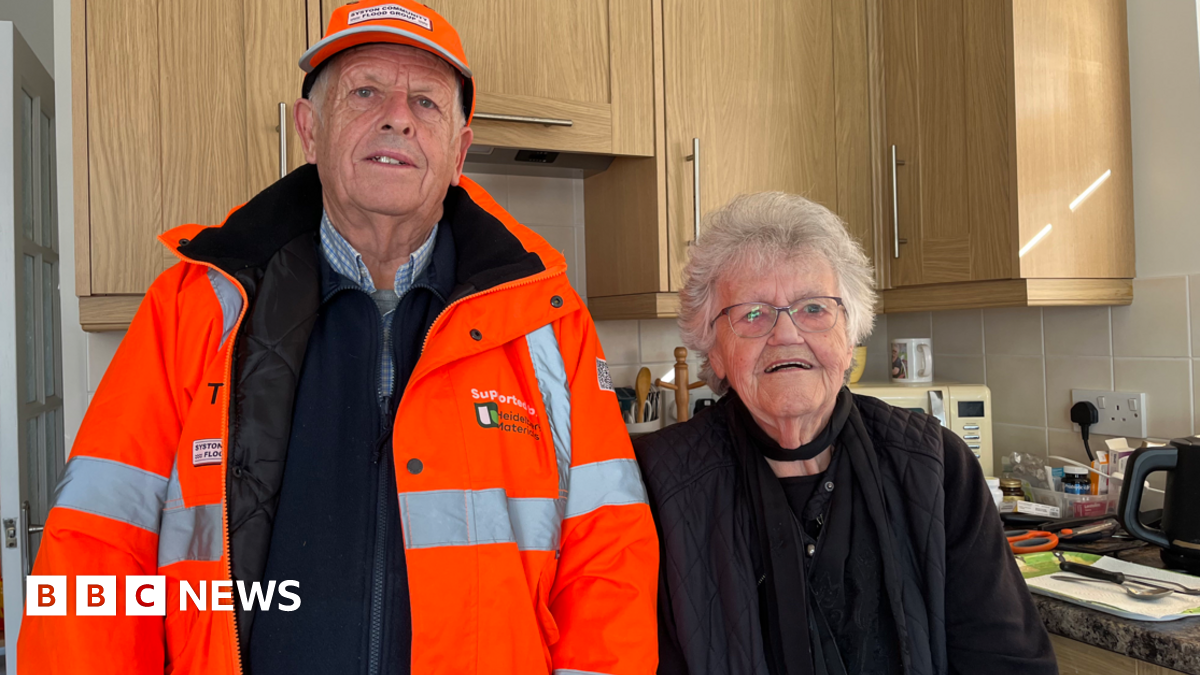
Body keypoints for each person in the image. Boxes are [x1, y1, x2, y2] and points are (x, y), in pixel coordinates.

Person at [19, 2, 657, 673]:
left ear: (460, 149)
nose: (398, 115)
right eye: (365, 90)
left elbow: (608, 561)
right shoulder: (196, 308)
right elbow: (94, 551)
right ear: (309, 128)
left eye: (427, 102)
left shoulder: (548, 324)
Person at [634, 193, 1056, 675]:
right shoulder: (653, 482)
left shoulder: (935, 464)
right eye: (752, 314)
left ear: (850, 331)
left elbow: (1007, 663)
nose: (786, 334)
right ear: (714, 348)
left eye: (813, 308)